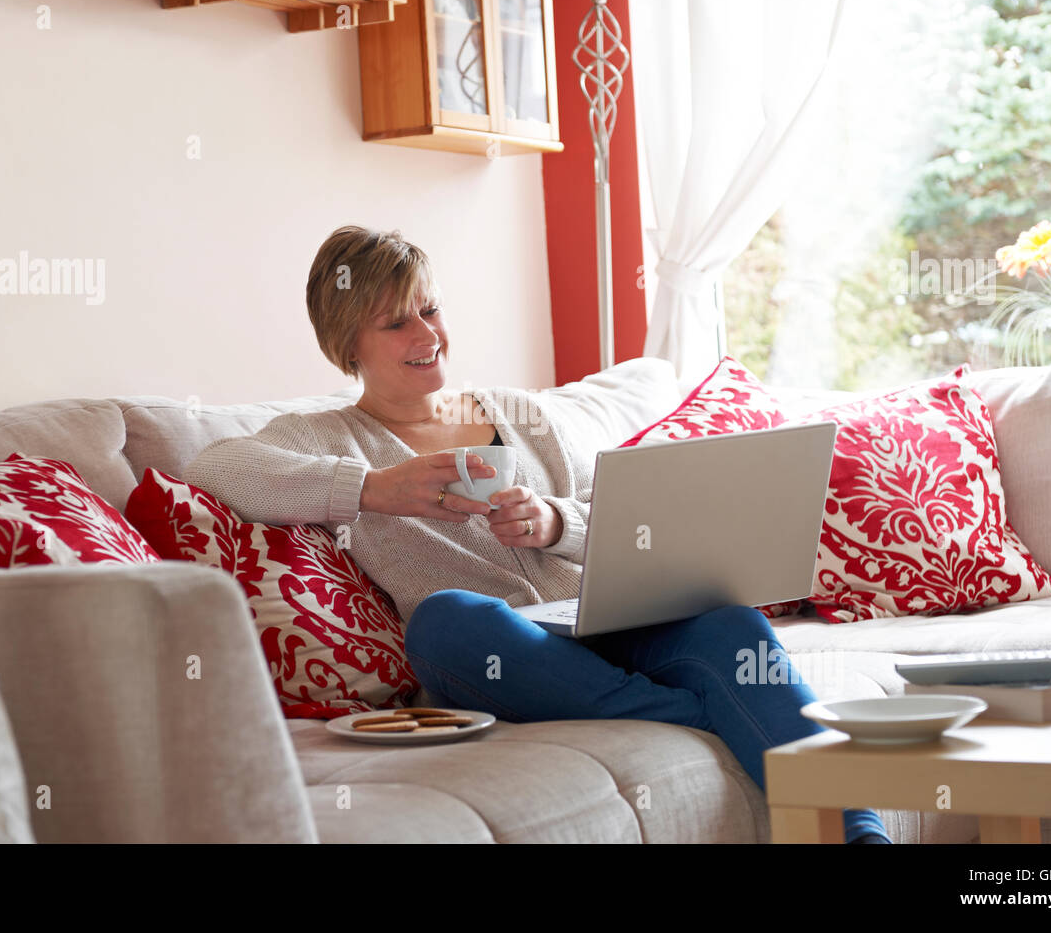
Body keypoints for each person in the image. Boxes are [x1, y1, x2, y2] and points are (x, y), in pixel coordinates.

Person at [184, 225, 892, 844]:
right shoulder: (326, 436)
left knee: (730, 627)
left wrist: (555, 522)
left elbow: (619, 514)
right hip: (502, 649)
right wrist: (375, 488)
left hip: (603, 618)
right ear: (348, 342)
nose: (428, 336)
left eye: (430, 310)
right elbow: (215, 467)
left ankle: (859, 838)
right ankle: (697, 708)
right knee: (443, 621)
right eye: (397, 322)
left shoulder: (519, 414)